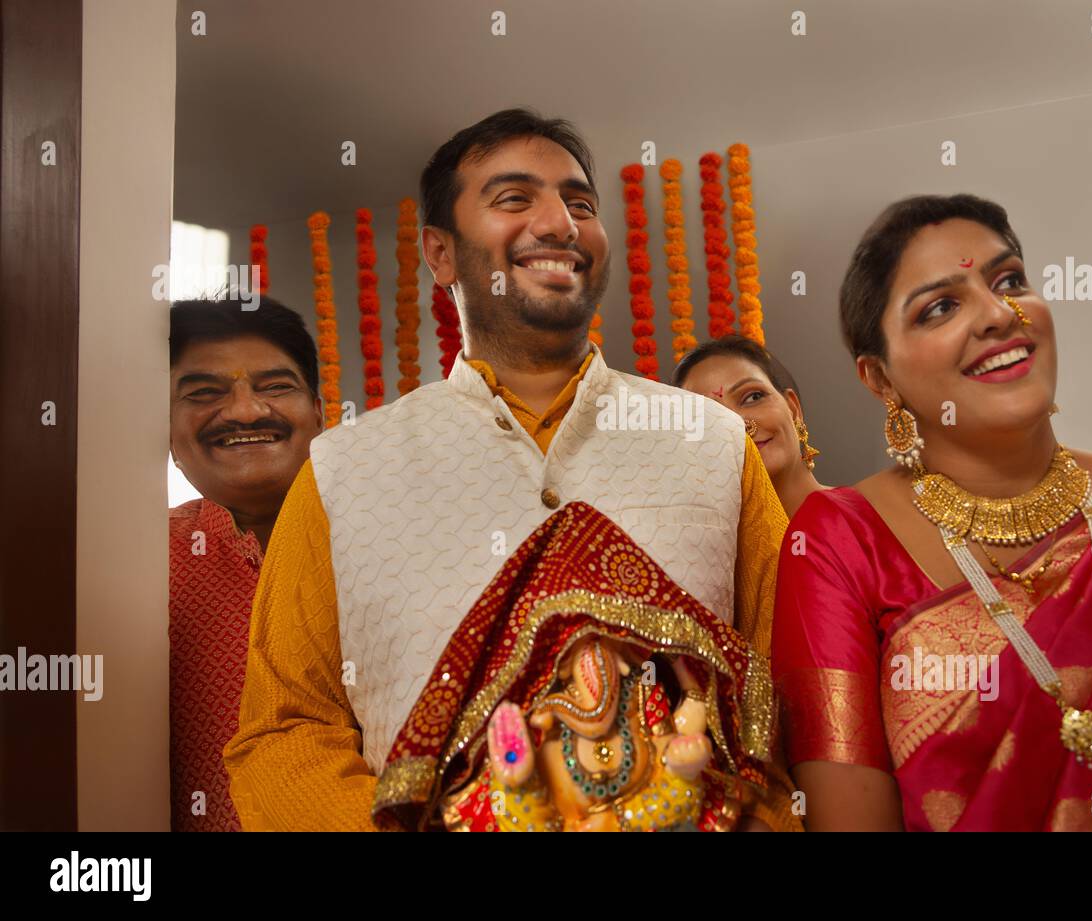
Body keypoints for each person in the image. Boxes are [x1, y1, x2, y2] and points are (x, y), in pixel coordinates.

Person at [224, 108, 798, 831]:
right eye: (515, 198)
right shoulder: (343, 470)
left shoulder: (713, 442)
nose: (559, 222)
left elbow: (788, 695)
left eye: (580, 203)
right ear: (439, 253)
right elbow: (284, 730)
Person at [772, 194, 1092, 831]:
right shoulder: (840, 539)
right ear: (880, 379)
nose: (1000, 314)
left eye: (1009, 281)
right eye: (941, 306)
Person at [168, 294, 324, 831]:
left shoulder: (391, 541)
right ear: (166, 430)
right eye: (204, 393)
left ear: (320, 414)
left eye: (275, 387)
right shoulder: (133, 561)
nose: (244, 411)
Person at [673, 335, 826, 518]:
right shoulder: (693, 545)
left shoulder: (866, 514)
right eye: (710, 417)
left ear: (793, 409)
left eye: (753, 397)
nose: (738, 425)